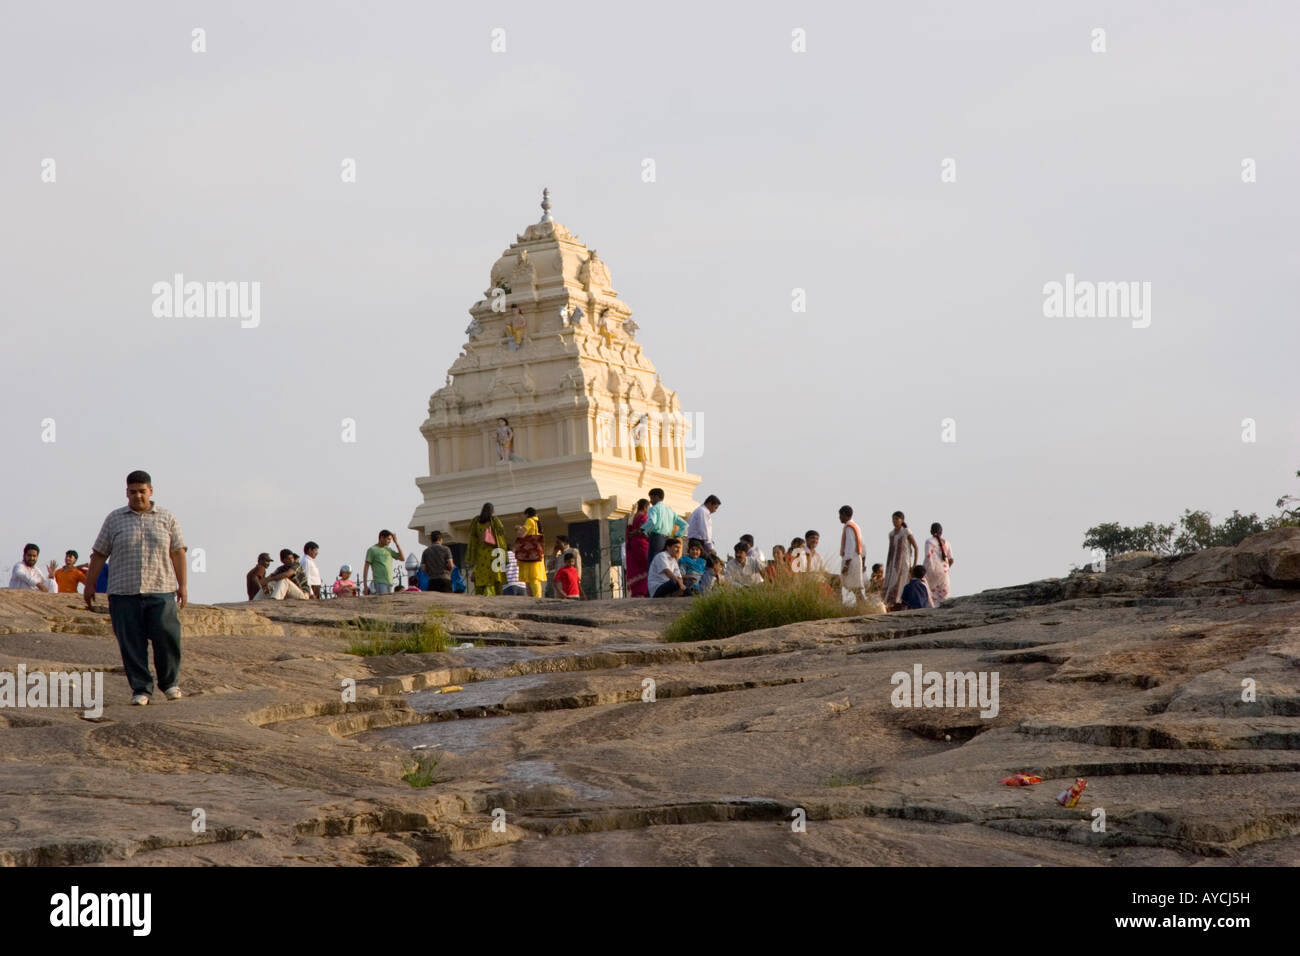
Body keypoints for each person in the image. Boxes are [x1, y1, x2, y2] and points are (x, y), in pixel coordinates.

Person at [83, 470, 187, 706]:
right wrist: (90, 585)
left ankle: (170, 683)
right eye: (133, 492)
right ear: (126, 493)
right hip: (123, 591)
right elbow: (99, 553)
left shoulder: (166, 518)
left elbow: (178, 551)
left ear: (151, 491)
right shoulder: (114, 519)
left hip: (161, 588)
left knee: (167, 635)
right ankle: (141, 689)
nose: (138, 496)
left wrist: (183, 585)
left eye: (142, 491)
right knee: (131, 642)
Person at [466, 503, 506, 596]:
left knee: (481, 575)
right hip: (493, 553)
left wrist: (471, 555)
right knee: (495, 576)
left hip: (481, 553)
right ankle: (496, 595)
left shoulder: (476, 521)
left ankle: (480, 593)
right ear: (492, 511)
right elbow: (501, 532)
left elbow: (473, 537)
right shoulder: (494, 520)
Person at [884, 511, 919, 608]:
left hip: (903, 563)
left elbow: (916, 547)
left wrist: (914, 565)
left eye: (896, 519)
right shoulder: (891, 534)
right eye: (893, 519)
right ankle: (891, 605)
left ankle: (901, 605)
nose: (894, 521)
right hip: (892, 564)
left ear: (902, 520)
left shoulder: (906, 532)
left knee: (902, 584)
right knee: (891, 584)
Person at [645, 488, 687, 562]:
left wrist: (643, 530)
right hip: (667, 540)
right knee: (664, 562)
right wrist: (677, 535)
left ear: (656, 497)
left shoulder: (654, 509)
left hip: (656, 538)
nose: (650, 501)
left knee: (654, 563)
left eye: (651, 498)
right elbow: (685, 525)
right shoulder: (670, 511)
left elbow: (652, 522)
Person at [838, 505, 867, 604]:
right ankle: (862, 605)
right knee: (855, 587)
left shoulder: (849, 527)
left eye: (840, 515)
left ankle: (862, 605)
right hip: (857, 559)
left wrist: (846, 564)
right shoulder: (856, 526)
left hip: (851, 560)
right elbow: (863, 546)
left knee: (854, 587)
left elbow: (850, 546)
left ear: (844, 515)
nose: (839, 518)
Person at [364, 529, 405, 596]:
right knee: (383, 603)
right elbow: (366, 568)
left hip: (389, 581)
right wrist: (365, 586)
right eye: (388, 539)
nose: (389, 541)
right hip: (379, 581)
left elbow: (402, 558)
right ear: (381, 538)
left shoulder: (388, 550)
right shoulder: (372, 550)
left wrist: (396, 543)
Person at [516, 507, 546, 597]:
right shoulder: (537, 522)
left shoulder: (529, 521)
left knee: (531, 577)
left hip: (529, 553)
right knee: (534, 576)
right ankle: (537, 596)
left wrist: (518, 528)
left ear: (527, 514)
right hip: (536, 552)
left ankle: (536, 597)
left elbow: (522, 534)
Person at [624, 498, 651, 597]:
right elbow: (646, 532)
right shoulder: (644, 517)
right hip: (643, 545)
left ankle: (637, 591)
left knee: (637, 568)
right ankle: (644, 591)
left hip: (634, 545)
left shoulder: (632, 517)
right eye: (648, 507)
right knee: (645, 567)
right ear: (645, 507)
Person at [924, 523, 954, 604]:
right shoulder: (947, 543)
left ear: (931, 531)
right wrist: (946, 568)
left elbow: (928, 556)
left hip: (931, 570)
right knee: (943, 595)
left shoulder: (929, 542)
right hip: (944, 571)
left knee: (931, 594)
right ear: (941, 532)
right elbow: (951, 559)